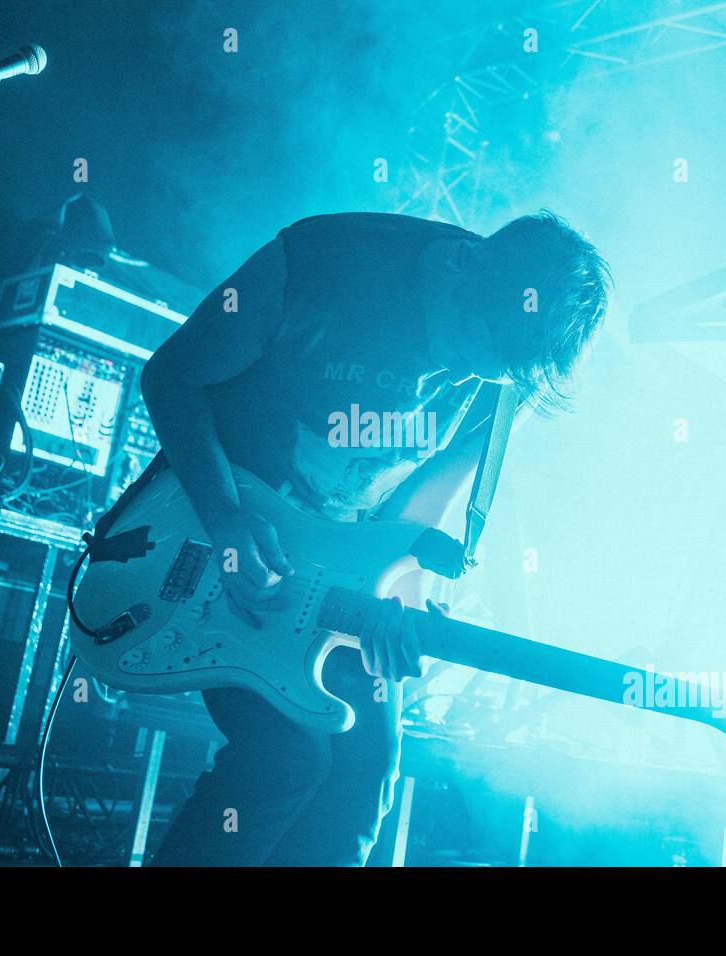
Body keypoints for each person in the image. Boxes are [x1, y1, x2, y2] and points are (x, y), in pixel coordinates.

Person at [138, 210, 609, 865]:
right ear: (459, 266)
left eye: (487, 373)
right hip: (211, 544)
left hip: (332, 574)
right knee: (285, 756)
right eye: (460, 343)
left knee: (365, 772)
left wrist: (396, 600)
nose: (456, 374)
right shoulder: (319, 259)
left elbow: (412, 516)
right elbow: (170, 376)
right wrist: (224, 519)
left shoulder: (510, 376)